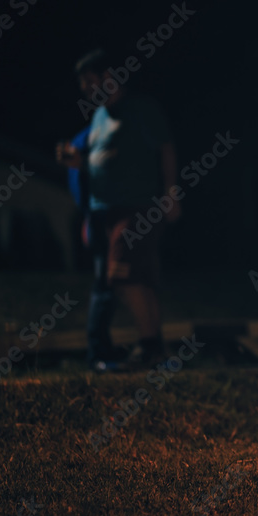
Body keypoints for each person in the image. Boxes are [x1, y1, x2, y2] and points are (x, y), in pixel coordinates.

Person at [56, 49, 180, 372]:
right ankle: (157, 351)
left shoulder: (140, 109)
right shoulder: (99, 117)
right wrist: (77, 163)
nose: (86, 89)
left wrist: (171, 193)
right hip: (104, 212)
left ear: (109, 77)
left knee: (120, 277)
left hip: (136, 208)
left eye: (90, 81)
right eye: (83, 85)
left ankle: (150, 345)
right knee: (142, 279)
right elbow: (101, 160)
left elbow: (165, 147)